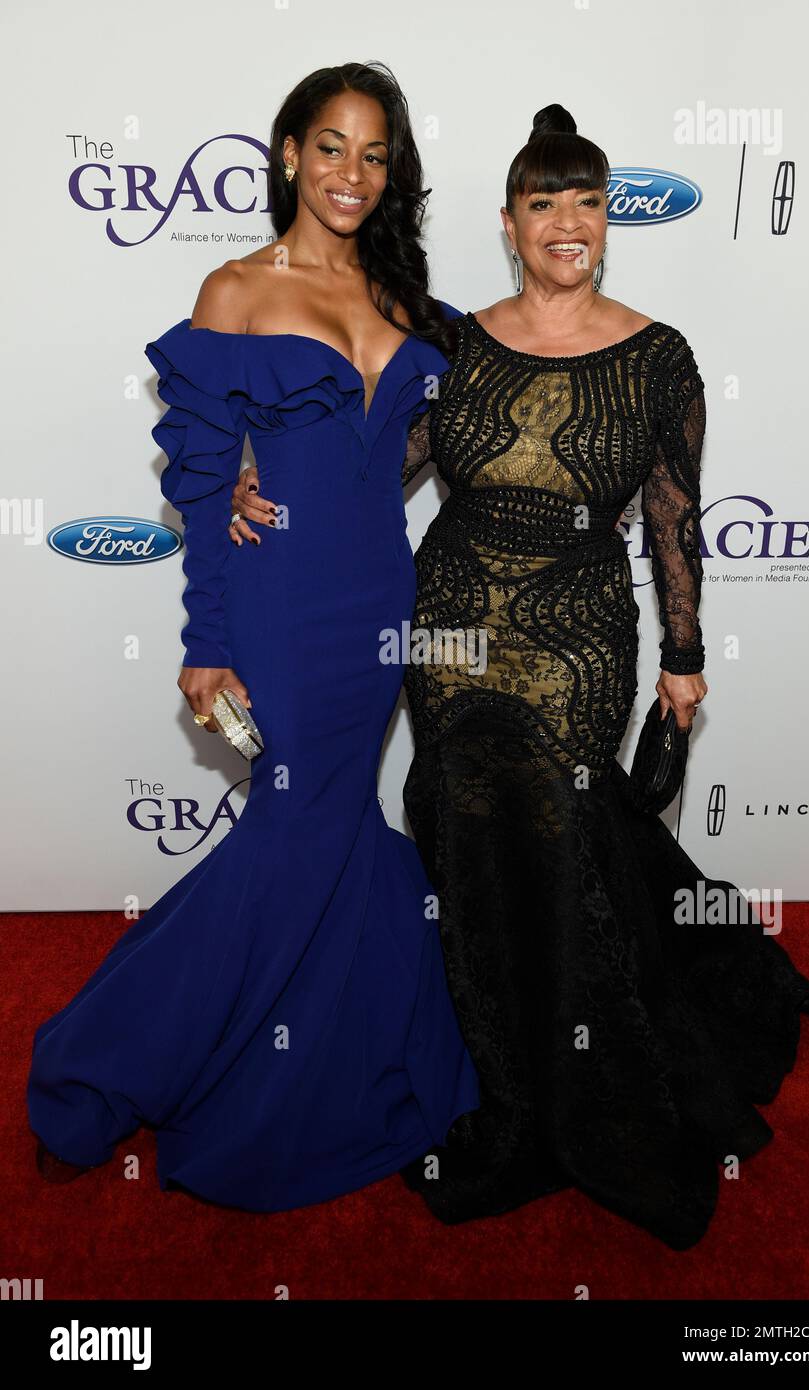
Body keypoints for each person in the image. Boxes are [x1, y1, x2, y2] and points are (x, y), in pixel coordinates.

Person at [228, 104, 809, 1249]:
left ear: (609, 220)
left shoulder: (659, 355)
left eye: (588, 200)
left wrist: (685, 660)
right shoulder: (455, 341)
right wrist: (255, 477)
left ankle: (586, 1081)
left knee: (558, 828)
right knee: (462, 834)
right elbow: (374, 472)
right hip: (446, 618)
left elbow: (672, 517)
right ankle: (494, 1078)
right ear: (509, 224)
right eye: (544, 202)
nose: (568, 223)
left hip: (580, 627)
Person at [27, 61, 479, 1211]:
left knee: (332, 830)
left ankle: (332, 1050)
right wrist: (206, 639)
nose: (351, 173)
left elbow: (416, 439)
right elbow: (197, 490)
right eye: (330, 146)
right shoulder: (235, 290)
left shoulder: (407, 301)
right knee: (291, 836)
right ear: (287, 153)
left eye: (375, 155)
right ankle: (113, 1057)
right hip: (281, 611)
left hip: (382, 601)